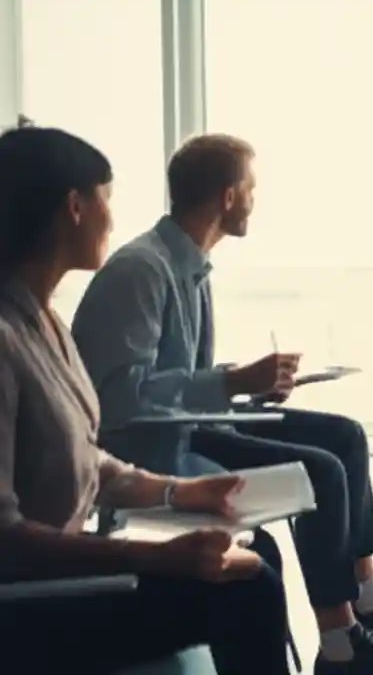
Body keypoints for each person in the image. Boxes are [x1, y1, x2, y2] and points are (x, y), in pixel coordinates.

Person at [71, 133, 373, 675]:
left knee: (344, 435)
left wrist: (246, 386)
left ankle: (365, 598)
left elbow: (176, 379)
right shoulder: (141, 271)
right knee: (321, 469)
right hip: (155, 444)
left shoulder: (188, 266)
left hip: (188, 425)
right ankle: (340, 645)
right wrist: (230, 382)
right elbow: (122, 399)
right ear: (227, 196)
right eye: (251, 188)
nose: (253, 200)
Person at [0, 125, 291, 673]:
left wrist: (183, 491)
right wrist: (149, 554)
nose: (114, 216)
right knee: (247, 590)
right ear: (75, 208)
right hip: (28, 602)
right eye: (106, 198)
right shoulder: (6, 339)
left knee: (255, 559)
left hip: (59, 572)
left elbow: (89, 459)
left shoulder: (44, 322)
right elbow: (4, 538)